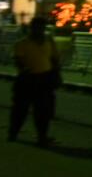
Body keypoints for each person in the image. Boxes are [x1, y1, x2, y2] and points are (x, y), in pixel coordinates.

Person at [9, 16, 61, 146]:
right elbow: (18, 61)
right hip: (28, 80)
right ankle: (13, 133)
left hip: (44, 79)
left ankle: (42, 137)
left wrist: (55, 73)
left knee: (43, 111)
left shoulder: (49, 42)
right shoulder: (22, 43)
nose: (39, 30)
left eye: (42, 28)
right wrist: (25, 70)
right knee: (21, 110)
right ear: (31, 28)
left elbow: (55, 59)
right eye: (37, 28)